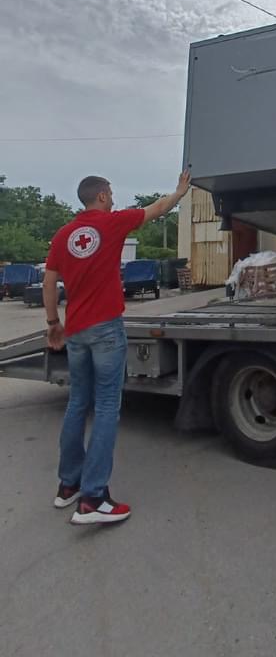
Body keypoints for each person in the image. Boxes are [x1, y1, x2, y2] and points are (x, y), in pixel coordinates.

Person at [43, 169, 191, 525]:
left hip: (76, 331)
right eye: (110, 193)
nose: (113, 198)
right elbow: (157, 208)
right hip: (106, 329)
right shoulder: (112, 223)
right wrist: (179, 192)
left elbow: (49, 282)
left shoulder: (63, 235)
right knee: (107, 406)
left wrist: (52, 323)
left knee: (78, 403)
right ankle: (93, 498)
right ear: (102, 196)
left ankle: (68, 485)